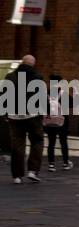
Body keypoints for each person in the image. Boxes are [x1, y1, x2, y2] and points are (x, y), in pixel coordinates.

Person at [5, 55, 44, 184]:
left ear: (22, 63)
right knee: (37, 141)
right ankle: (32, 171)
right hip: (33, 116)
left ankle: (17, 176)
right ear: (33, 64)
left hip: (14, 116)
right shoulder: (37, 77)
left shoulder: (10, 77)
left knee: (17, 145)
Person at [43, 73, 73, 171]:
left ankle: (51, 165)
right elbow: (72, 104)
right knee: (63, 142)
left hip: (49, 122)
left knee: (51, 143)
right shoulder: (63, 94)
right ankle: (65, 163)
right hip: (62, 122)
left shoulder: (46, 93)